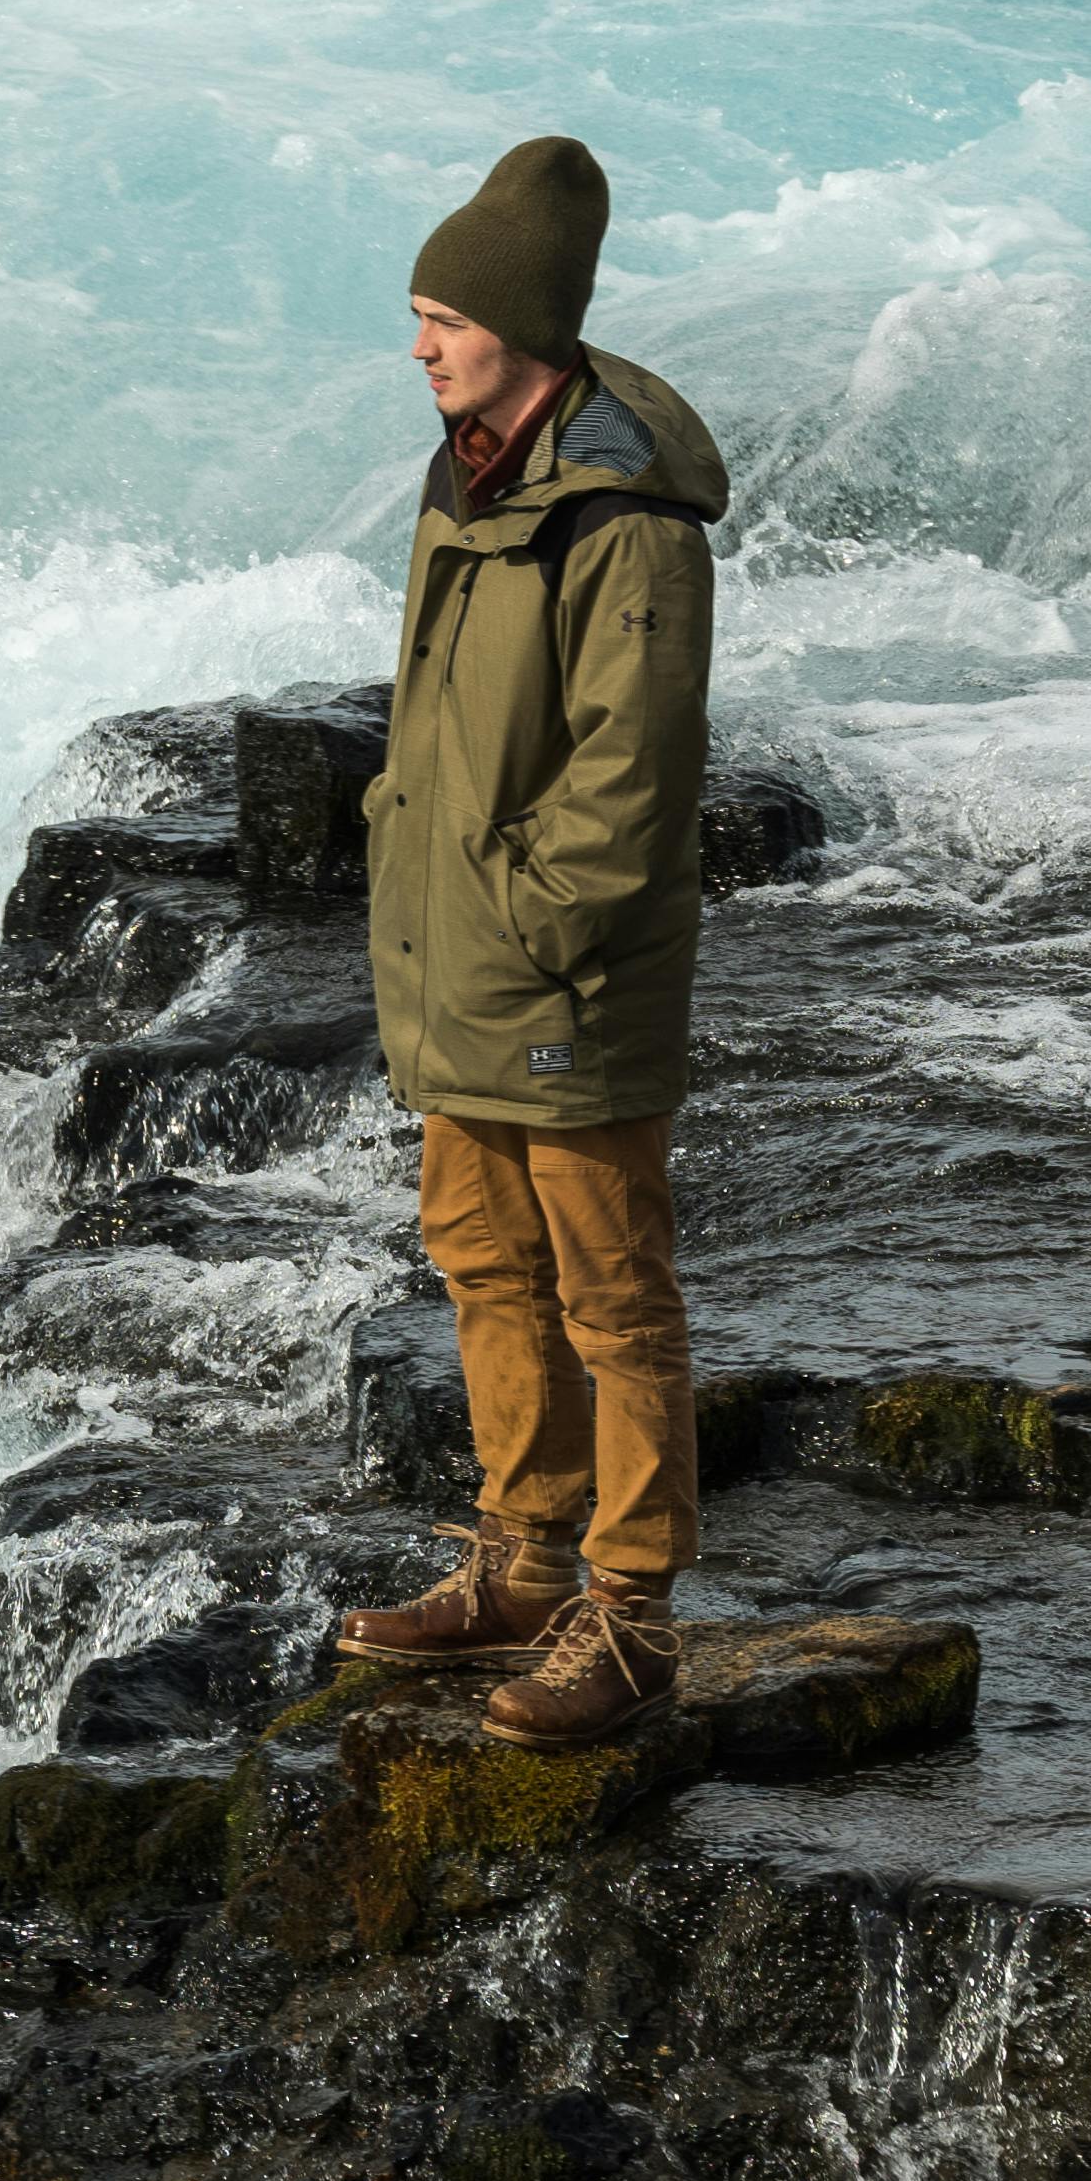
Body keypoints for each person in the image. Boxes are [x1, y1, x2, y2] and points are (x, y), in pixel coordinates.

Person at [335, 129, 726, 1741]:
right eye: (417, 312)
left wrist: (522, 917)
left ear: (527, 330)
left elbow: (630, 778)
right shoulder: (471, 479)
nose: (418, 344)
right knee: (484, 1260)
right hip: (459, 953)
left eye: (444, 316)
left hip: (557, 969)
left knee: (612, 1293)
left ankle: (629, 1615)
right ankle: (519, 1561)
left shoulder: (623, 518)